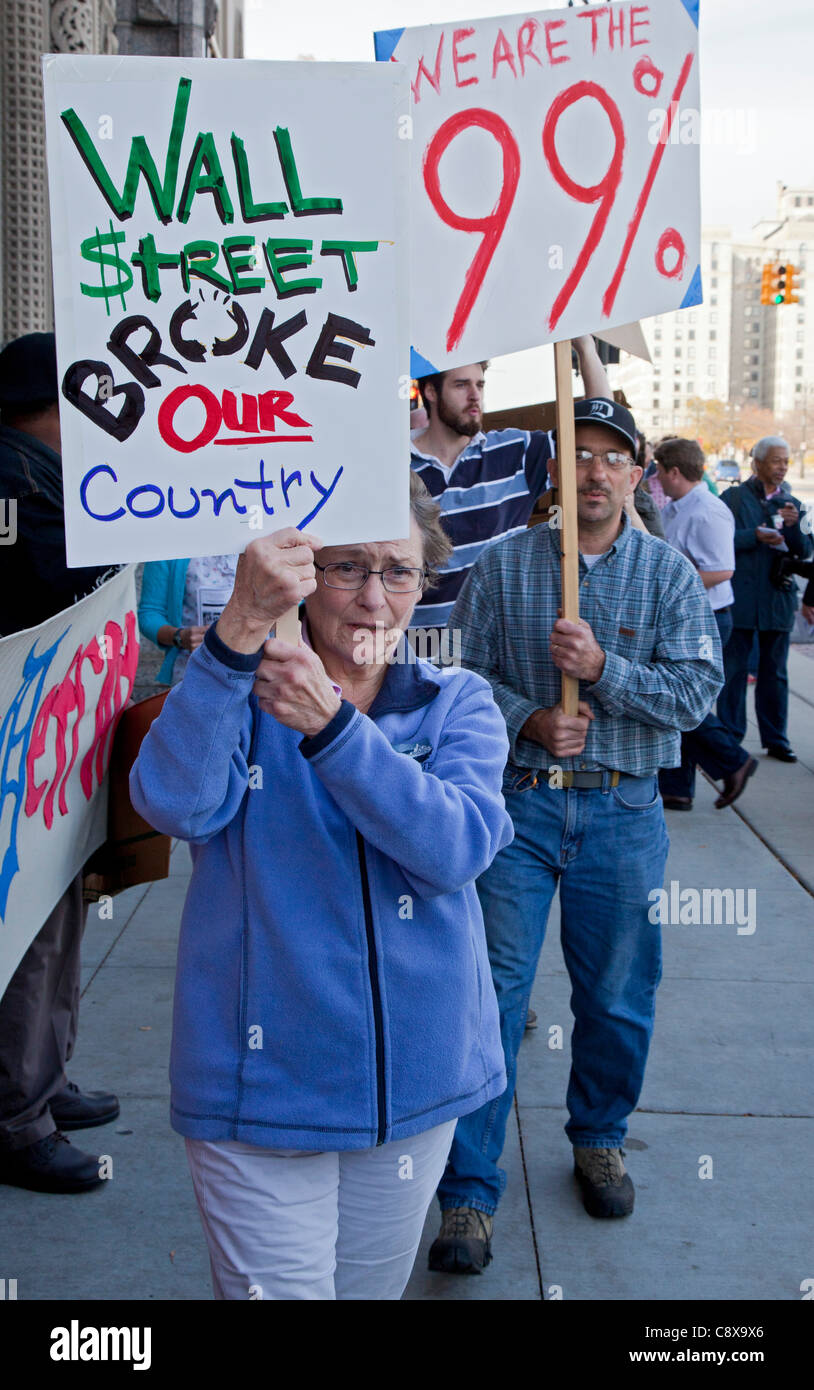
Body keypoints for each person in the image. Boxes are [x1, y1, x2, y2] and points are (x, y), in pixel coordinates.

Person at [129, 474, 514, 1300]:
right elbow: (173, 803)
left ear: (426, 580)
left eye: (398, 571)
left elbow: (454, 849)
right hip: (261, 1095)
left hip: (414, 1093)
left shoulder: (460, 701)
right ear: (305, 575)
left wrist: (334, 730)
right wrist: (237, 632)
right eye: (346, 568)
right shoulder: (233, 684)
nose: (374, 599)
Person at [428, 398, 724, 1274]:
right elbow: (463, 678)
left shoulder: (668, 576)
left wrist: (603, 672)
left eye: (611, 457)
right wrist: (525, 719)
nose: (594, 472)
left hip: (624, 812)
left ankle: (599, 1136)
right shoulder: (507, 567)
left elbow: (696, 695)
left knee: (619, 993)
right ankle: (468, 1193)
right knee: (489, 994)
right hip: (518, 809)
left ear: (635, 473)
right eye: (578, 454)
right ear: (554, 470)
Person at [0, 332, 119, 1194]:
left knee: (62, 915)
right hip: (27, 744)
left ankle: (44, 1080)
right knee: (35, 930)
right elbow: (55, 580)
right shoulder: (18, 481)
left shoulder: (40, 477)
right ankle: (17, 1117)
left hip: (52, 741)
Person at [410, 336, 612, 630]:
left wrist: (586, 349)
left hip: (494, 650)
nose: (475, 395)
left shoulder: (516, 451)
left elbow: (600, 427)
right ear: (430, 391)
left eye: (480, 385)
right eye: (461, 385)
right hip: (419, 650)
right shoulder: (394, 465)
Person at [655, 438, 758, 811]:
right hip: (686, 618)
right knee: (674, 703)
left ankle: (735, 761)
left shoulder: (707, 511)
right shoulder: (677, 507)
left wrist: (670, 587)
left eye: (659, 470)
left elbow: (721, 569)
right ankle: (677, 789)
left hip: (708, 619)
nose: (657, 478)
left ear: (675, 472)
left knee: (681, 700)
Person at [717, 436, 812, 762]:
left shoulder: (794, 504)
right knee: (734, 671)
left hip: (777, 599)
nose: (782, 466)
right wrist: (752, 536)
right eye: (775, 460)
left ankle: (776, 739)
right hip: (740, 598)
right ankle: (730, 737)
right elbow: (718, 542)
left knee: (775, 673)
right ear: (756, 463)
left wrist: (794, 528)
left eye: (785, 461)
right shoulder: (732, 498)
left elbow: (806, 552)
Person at [138, 555, 241, 685]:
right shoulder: (168, 545)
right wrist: (180, 637)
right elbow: (149, 612)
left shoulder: (264, 540)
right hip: (192, 674)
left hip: (256, 675)